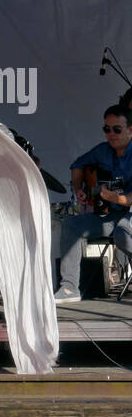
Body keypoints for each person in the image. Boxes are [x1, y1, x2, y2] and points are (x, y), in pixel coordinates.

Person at [54, 97, 132, 303]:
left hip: (129, 216)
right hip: (111, 217)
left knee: (123, 231)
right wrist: (79, 188)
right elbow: (77, 165)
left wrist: (116, 197)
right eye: (107, 129)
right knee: (72, 224)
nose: (111, 134)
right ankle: (70, 288)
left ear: (131, 130)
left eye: (117, 129)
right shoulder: (102, 151)